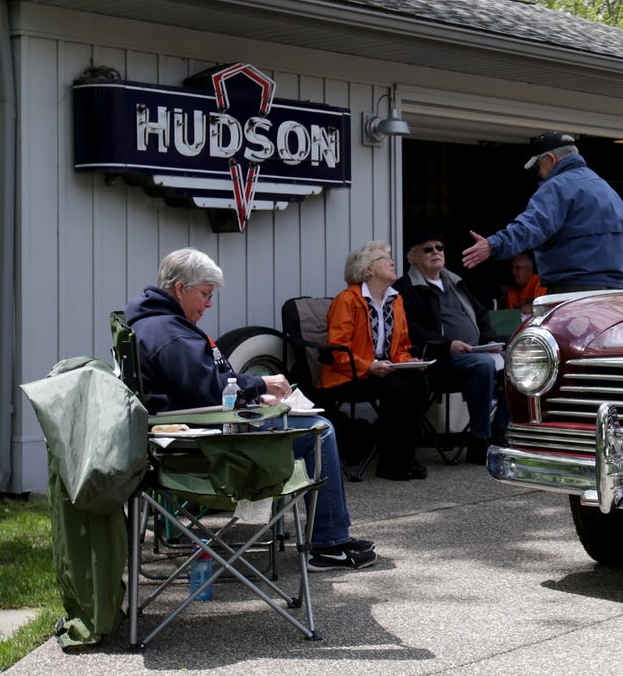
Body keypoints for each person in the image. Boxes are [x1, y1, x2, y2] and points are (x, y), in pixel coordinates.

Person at [123, 248, 376, 571]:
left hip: (194, 430)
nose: (208, 304)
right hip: (204, 441)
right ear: (179, 289)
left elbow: (202, 384)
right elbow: (206, 392)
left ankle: (332, 537)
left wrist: (253, 397)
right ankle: (329, 545)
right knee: (319, 431)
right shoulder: (170, 334)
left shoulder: (157, 323)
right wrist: (259, 388)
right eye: (205, 294)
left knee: (308, 422)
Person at [462, 130, 623, 293]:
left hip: (573, 288)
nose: (540, 174)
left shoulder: (557, 186)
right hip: (612, 289)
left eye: (538, 166)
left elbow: (532, 227)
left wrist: (494, 245)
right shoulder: (605, 188)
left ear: (550, 158)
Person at [318, 241, 430, 481]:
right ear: (368, 270)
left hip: (384, 369)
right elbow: (338, 351)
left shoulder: (395, 299)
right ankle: (389, 463)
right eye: (384, 259)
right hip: (350, 373)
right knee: (396, 387)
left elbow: (400, 347)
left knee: (419, 382)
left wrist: (409, 362)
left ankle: (406, 456)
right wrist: (368, 366)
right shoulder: (347, 300)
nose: (392, 262)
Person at [397, 230, 509, 464]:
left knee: (519, 364)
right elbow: (411, 329)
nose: (436, 252)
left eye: (440, 247)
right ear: (413, 258)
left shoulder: (454, 281)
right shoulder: (407, 288)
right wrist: (447, 345)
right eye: (428, 249)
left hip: (476, 352)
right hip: (439, 359)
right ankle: (479, 440)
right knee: (483, 365)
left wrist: (489, 341)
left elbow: (481, 314)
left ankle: (500, 434)